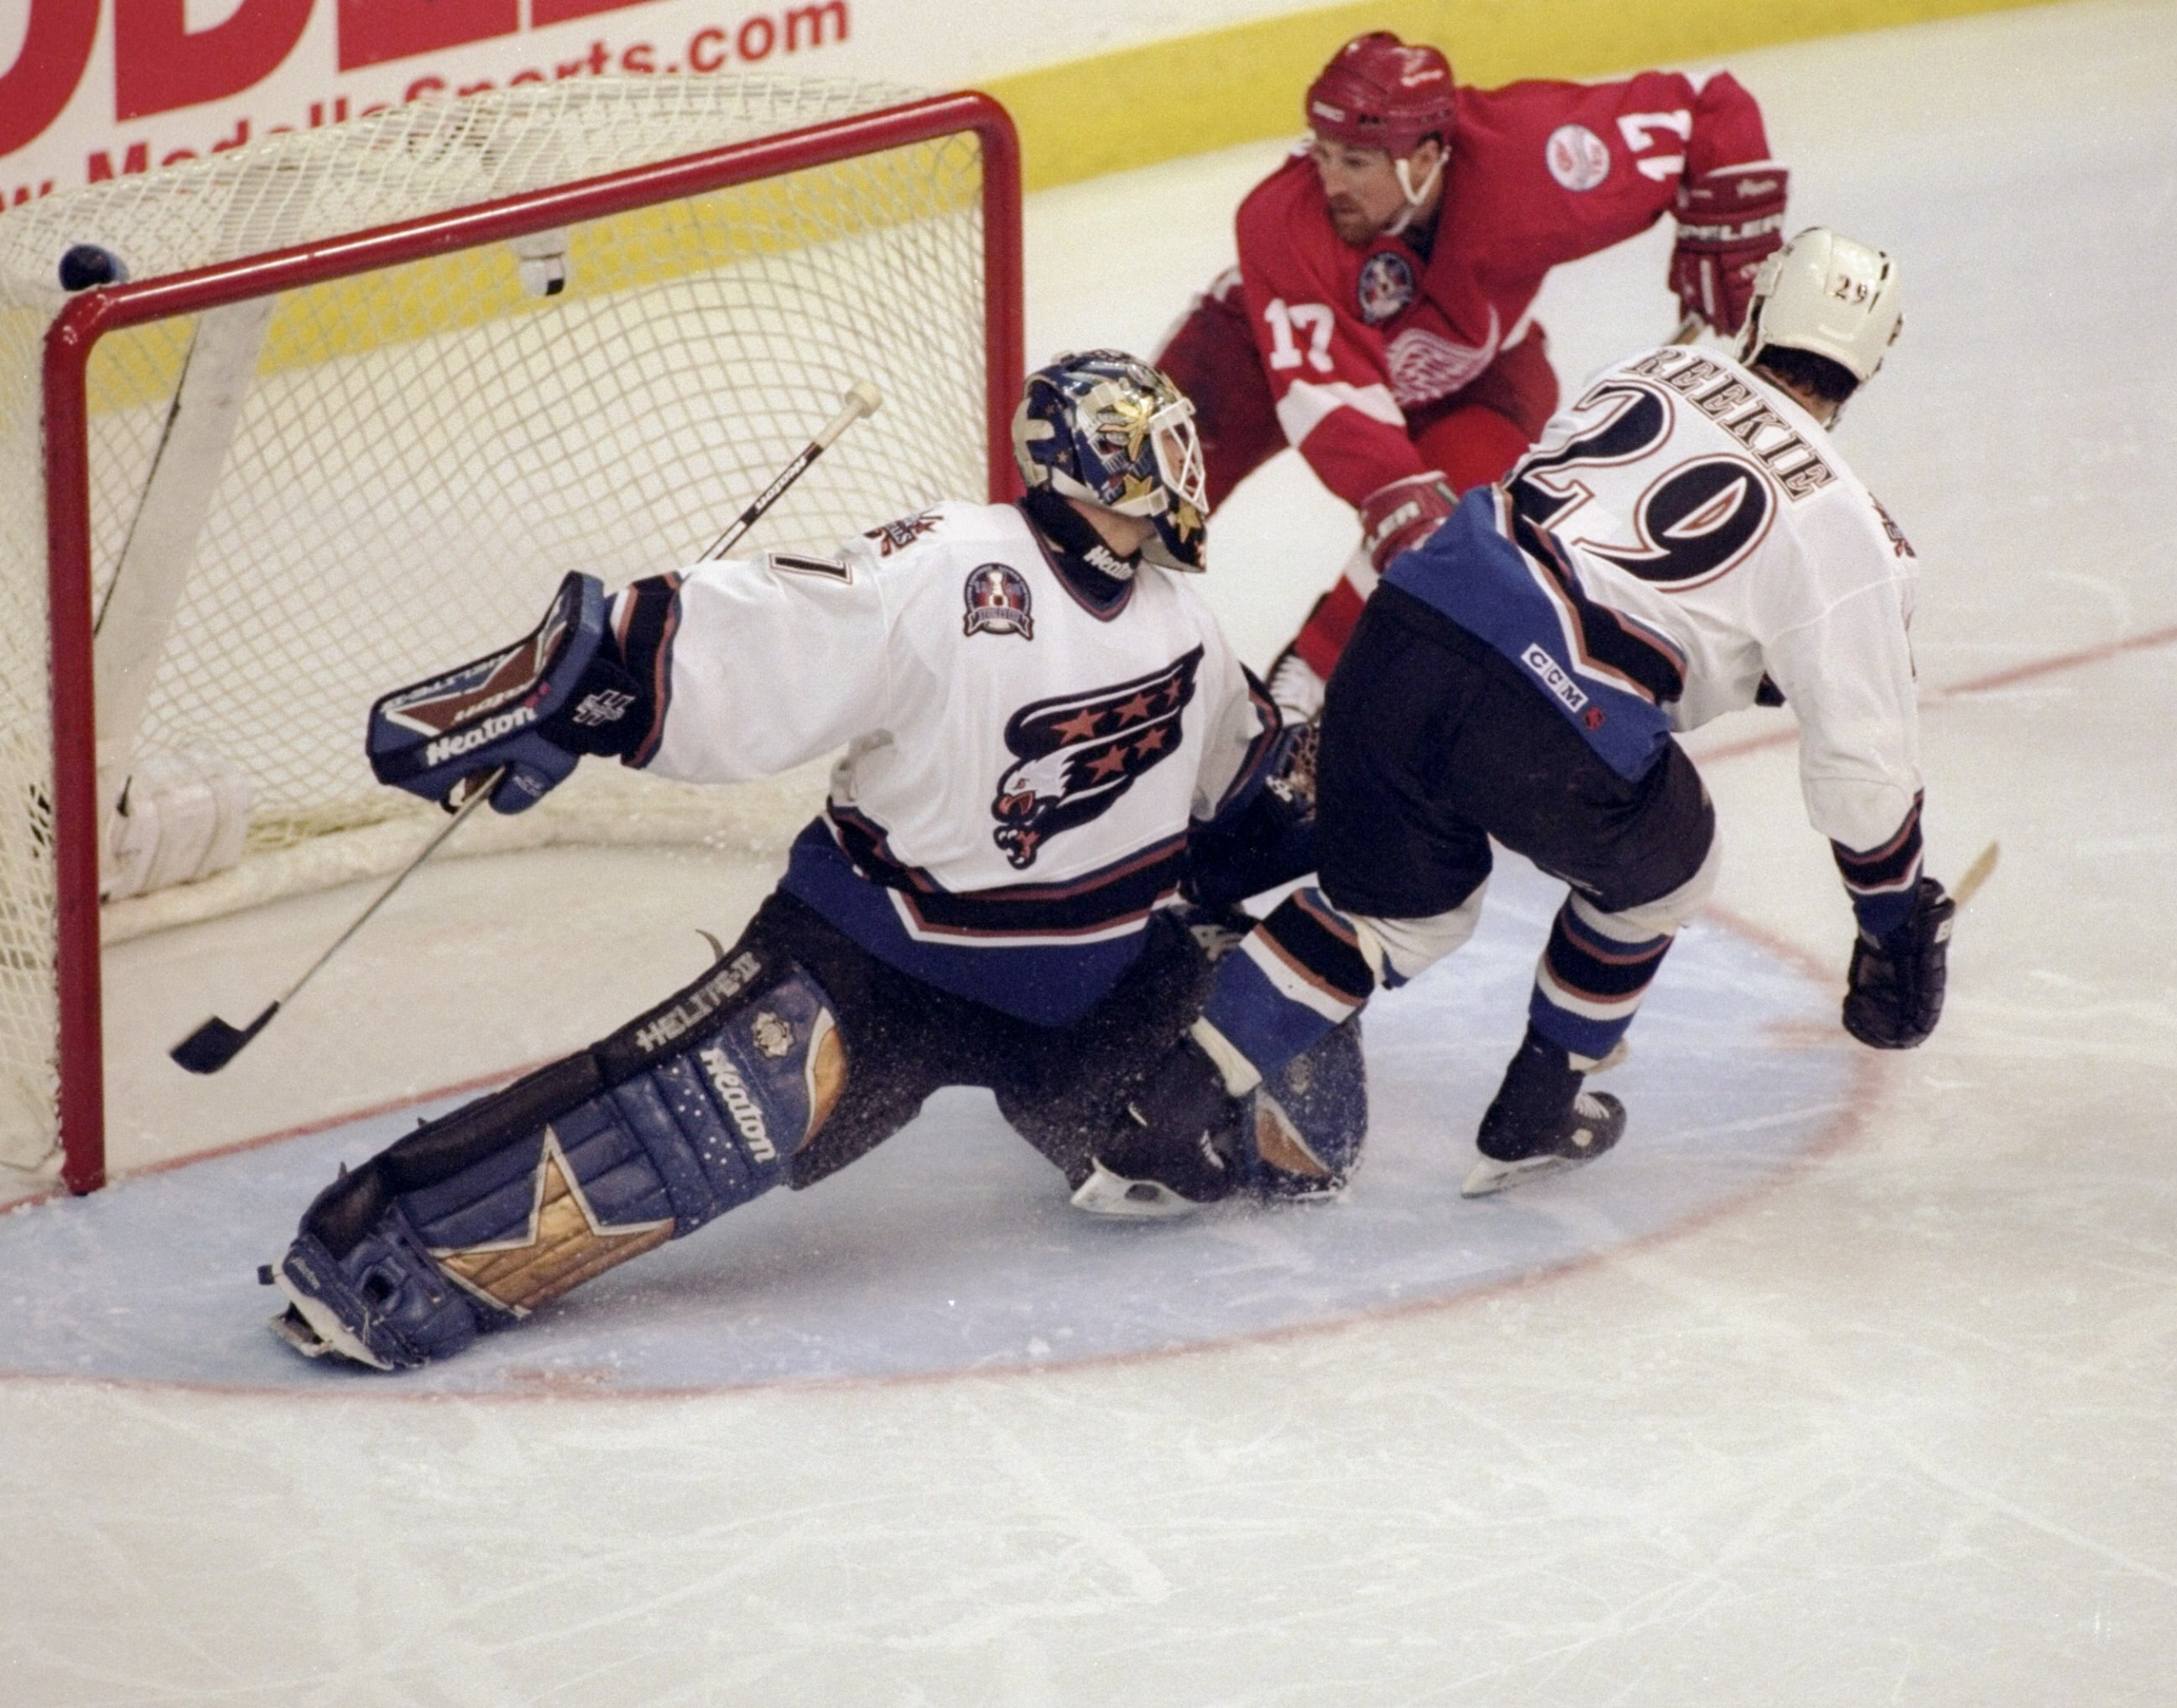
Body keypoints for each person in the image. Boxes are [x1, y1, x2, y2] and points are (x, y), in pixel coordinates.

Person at [261, 351, 1357, 1372]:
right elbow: (790, 625)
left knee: (1292, 1130)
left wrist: (1355, 799)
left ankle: (1089, 1087)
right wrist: (609, 670)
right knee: (693, 1120)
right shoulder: (956, 563)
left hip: (1084, 989)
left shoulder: (1183, 625)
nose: (1183, 472)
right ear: (1095, 459)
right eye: (1161, 448)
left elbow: (1243, 800)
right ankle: (382, 1256)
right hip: (882, 970)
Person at [1095, 229, 1957, 1211]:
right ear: (1873, 361)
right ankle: (1537, 1111)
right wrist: (1891, 924)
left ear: (1759, 313)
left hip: (1409, 623)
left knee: (1393, 913)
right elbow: (1863, 775)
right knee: (1671, 868)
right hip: (1559, 711)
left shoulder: (1654, 371)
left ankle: (1157, 1122)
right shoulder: (1854, 532)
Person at [1154, 30, 1790, 721]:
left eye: (1356, 161)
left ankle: (1312, 676)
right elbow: (1334, 400)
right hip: (1251, 355)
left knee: (1479, 506)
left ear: (1427, 158)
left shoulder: (1533, 158)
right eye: (1324, 153)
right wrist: (1398, 502)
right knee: (1136, 486)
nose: (1330, 180)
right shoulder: (1281, 217)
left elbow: (1707, 112)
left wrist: (1735, 225)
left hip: (1470, 371)